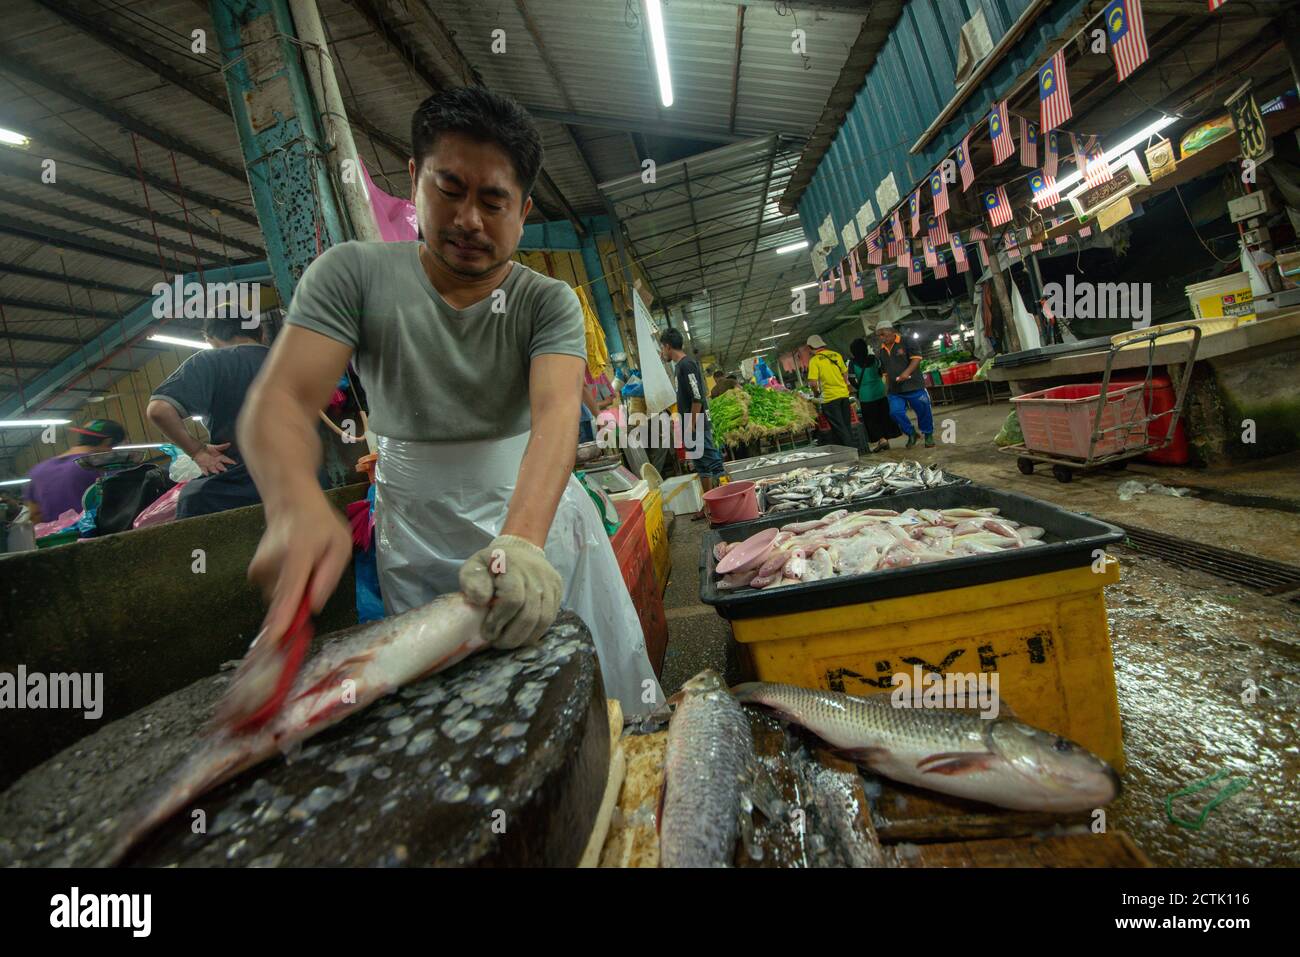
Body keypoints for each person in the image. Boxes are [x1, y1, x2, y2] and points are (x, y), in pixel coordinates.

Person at [236, 86, 661, 715]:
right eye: (449, 189)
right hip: (415, 531)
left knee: (578, 698)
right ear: (413, 179)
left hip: (533, 518)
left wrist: (520, 544)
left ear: (524, 210)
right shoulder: (353, 275)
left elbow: (553, 419)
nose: (468, 220)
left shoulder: (546, 302)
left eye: (494, 202)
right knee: (453, 714)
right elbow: (281, 402)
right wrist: (292, 499)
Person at [147, 316, 273, 518]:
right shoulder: (290, 359)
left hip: (245, 485)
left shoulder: (209, 361)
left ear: (210, 338)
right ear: (261, 334)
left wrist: (197, 451)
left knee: (192, 497)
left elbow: (159, 410)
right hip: (310, 478)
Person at [657, 328, 725, 518]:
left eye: (662, 348)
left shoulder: (687, 365)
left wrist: (692, 424)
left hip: (697, 422)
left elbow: (697, 397)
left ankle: (730, 500)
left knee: (713, 462)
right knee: (702, 465)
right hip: (690, 421)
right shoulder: (679, 366)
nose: (662, 353)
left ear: (668, 346)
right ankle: (709, 506)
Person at [22, 419, 126, 524]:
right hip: (94, 536)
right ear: (107, 441)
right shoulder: (100, 467)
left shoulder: (38, 471)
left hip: (56, 539)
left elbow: (34, 514)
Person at [876, 320, 934, 448]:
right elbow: (885, 372)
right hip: (895, 390)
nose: (881, 338)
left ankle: (928, 434)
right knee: (895, 413)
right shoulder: (881, 351)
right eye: (879, 335)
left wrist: (906, 373)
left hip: (914, 385)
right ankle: (911, 433)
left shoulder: (907, 341)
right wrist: (886, 389)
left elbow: (917, 358)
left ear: (891, 331)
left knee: (923, 411)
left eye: (883, 334)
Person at [805, 335, 854, 449]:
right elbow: (845, 373)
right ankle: (846, 449)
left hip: (830, 398)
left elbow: (813, 382)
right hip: (843, 395)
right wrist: (844, 384)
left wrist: (816, 392)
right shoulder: (836, 354)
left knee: (839, 427)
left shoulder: (815, 360)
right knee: (846, 425)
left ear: (810, 347)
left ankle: (850, 450)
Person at [847, 337, 894, 453]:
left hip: (866, 394)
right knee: (883, 415)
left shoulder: (853, 363)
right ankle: (886, 441)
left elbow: (852, 379)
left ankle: (882, 440)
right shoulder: (874, 359)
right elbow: (881, 371)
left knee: (872, 419)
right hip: (880, 390)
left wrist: (860, 387)